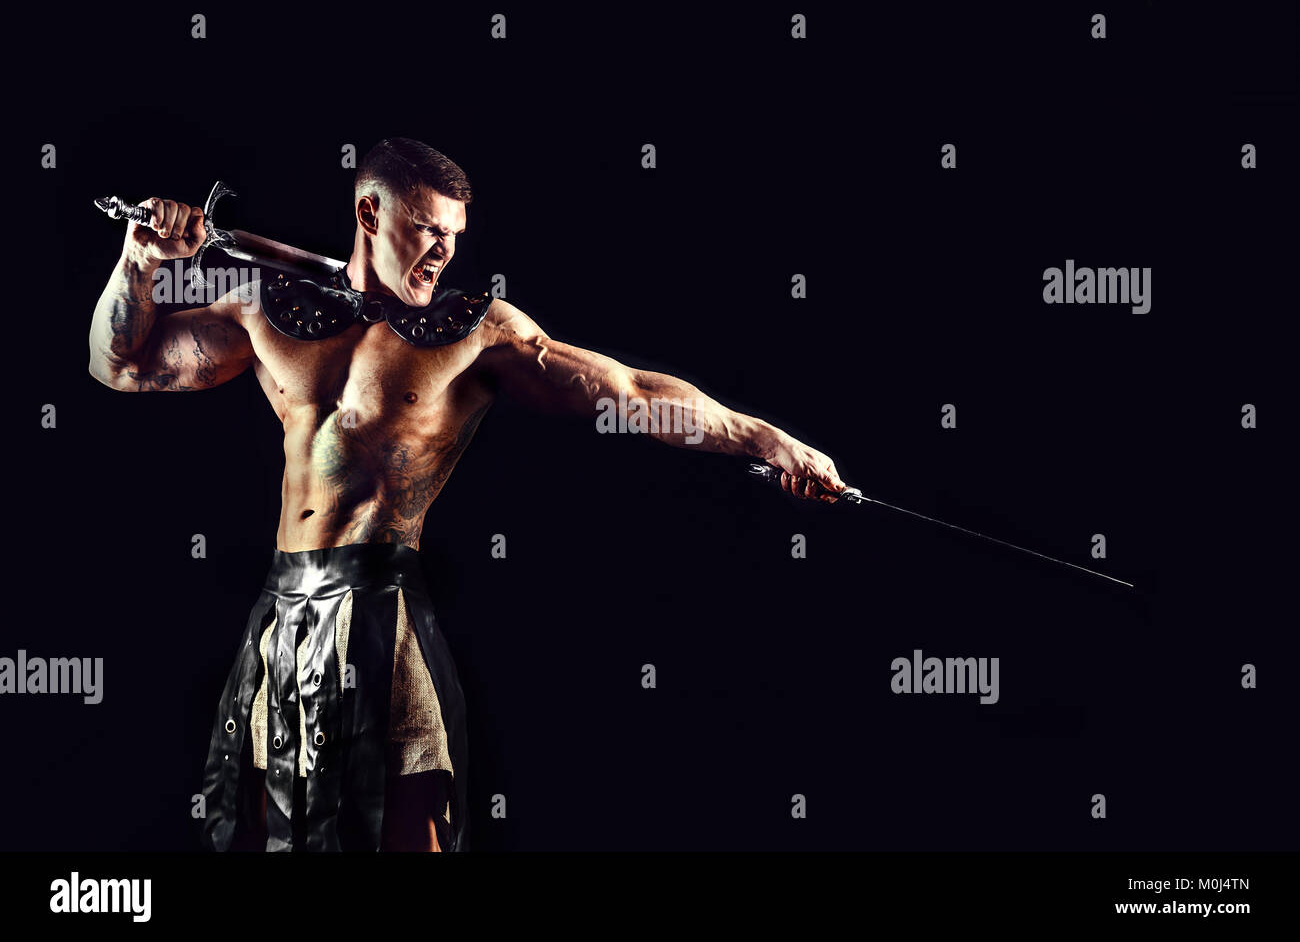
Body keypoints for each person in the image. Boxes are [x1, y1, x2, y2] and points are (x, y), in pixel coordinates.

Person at [87, 137, 846, 852]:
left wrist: (768, 439)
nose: (444, 250)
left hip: (383, 611)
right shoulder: (270, 312)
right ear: (369, 213)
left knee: (409, 828)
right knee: (266, 828)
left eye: (453, 234)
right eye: (426, 229)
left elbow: (631, 390)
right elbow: (117, 365)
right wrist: (140, 260)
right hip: (281, 613)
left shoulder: (475, 335)